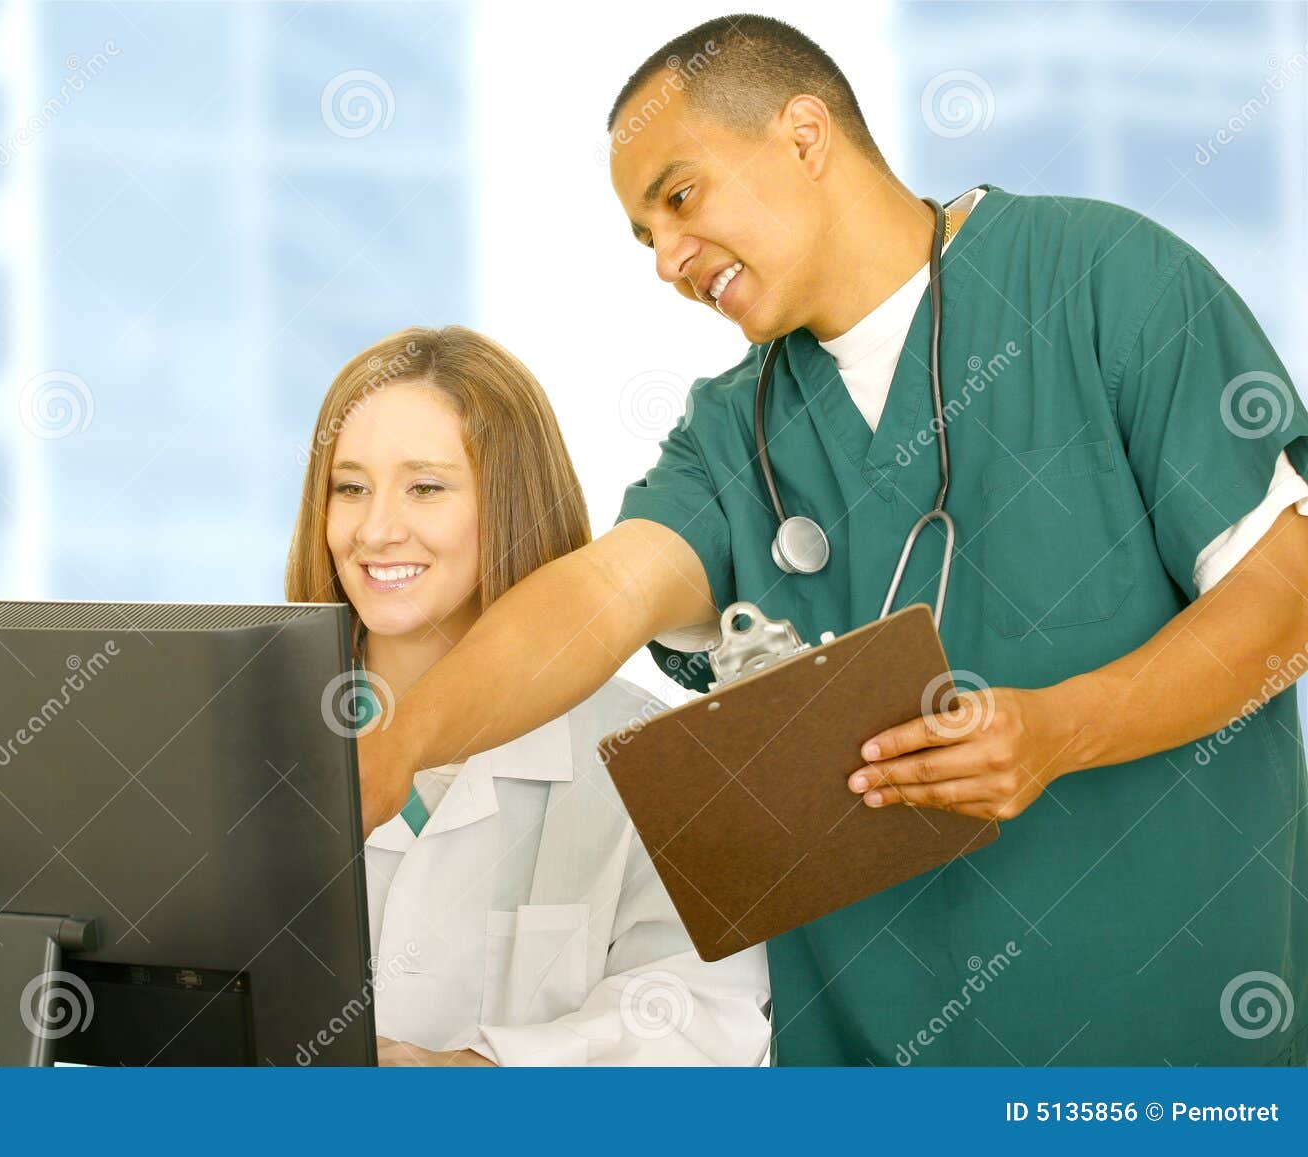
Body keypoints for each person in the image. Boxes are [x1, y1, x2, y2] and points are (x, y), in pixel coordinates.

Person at [355, 16, 1308, 1066]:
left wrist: (1057, 730)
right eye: (644, 237)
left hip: (1166, 1045)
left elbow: (1286, 598)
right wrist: (395, 747)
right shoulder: (734, 429)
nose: (668, 260)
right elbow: (601, 594)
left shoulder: (1103, 283)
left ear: (804, 135)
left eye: (678, 198)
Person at [285, 325, 770, 1065]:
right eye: (350, 488)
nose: (376, 530)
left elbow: (706, 1017)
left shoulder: (648, 752)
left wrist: (476, 1074)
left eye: (426, 487)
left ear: (511, 501)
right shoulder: (254, 732)